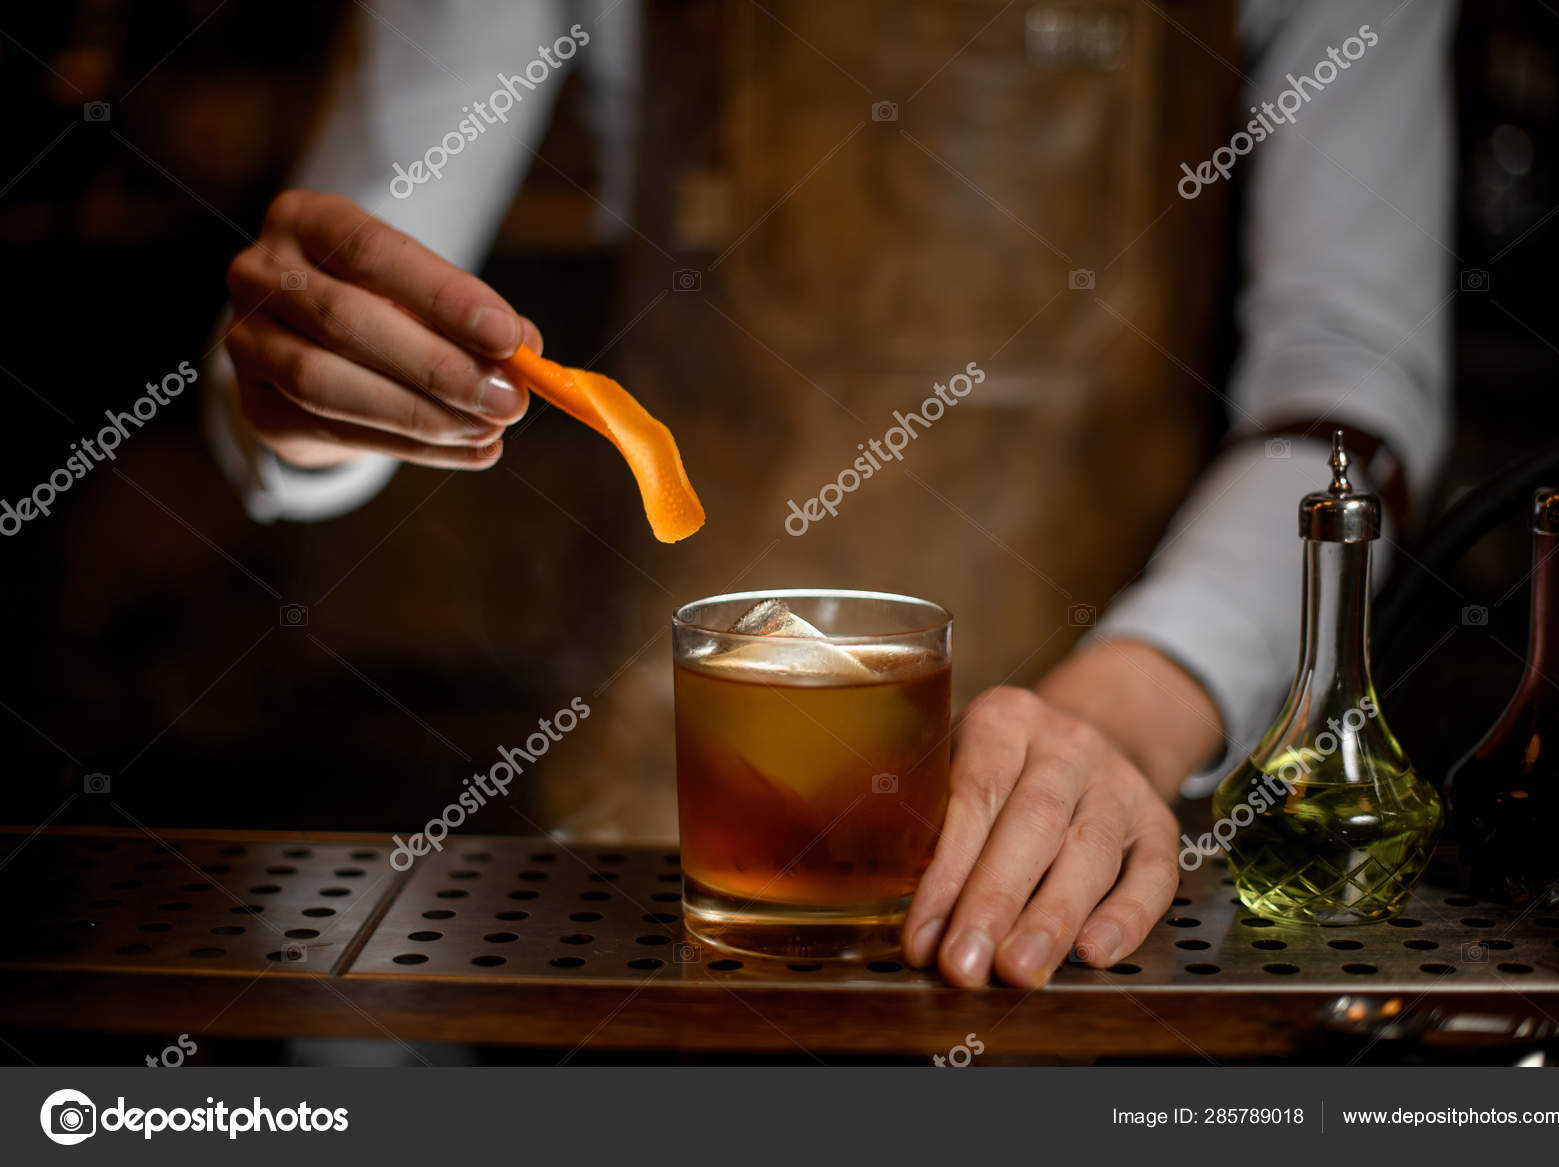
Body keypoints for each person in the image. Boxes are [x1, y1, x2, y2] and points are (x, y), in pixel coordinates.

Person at [209, 0, 1452, 988]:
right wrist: (302, 398)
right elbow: (346, 295)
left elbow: (1347, 380)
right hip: (664, 844)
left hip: (1093, 851)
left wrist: (1134, 707)